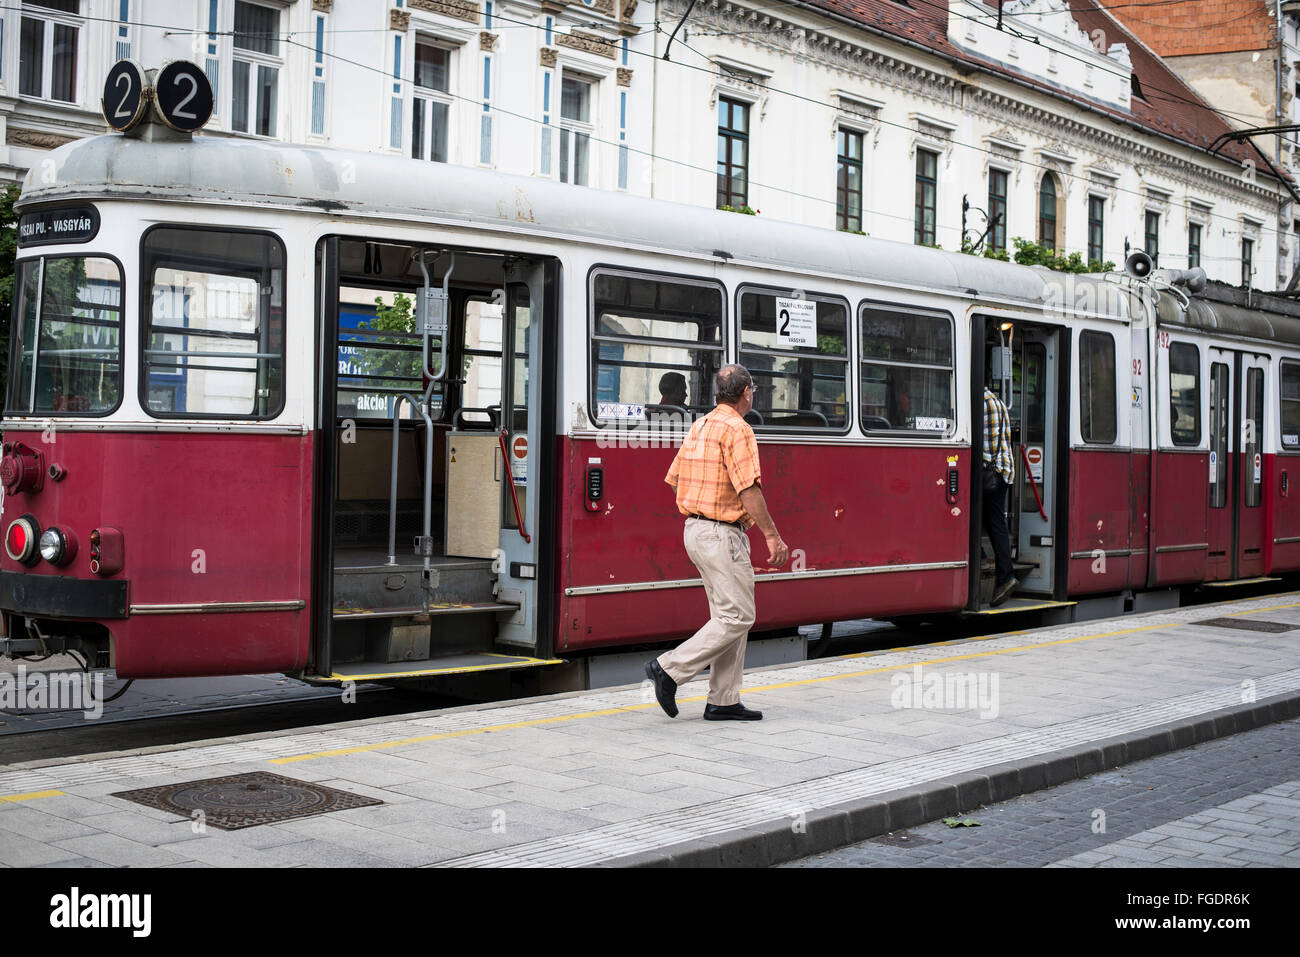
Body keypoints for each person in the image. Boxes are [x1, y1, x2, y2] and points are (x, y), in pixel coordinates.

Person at [645, 364, 788, 721]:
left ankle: (723, 700)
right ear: (747, 393)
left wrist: (700, 509)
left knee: (727, 614)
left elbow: (674, 479)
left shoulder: (701, 425)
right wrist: (772, 535)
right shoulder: (738, 429)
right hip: (722, 534)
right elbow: (748, 489)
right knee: (739, 615)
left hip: (695, 530)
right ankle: (668, 669)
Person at [982, 386, 1018, 607]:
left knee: (973, 517)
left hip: (989, 472)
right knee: (996, 523)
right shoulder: (998, 402)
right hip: (1004, 471)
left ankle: (1001, 573)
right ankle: (1005, 575)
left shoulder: (980, 403)